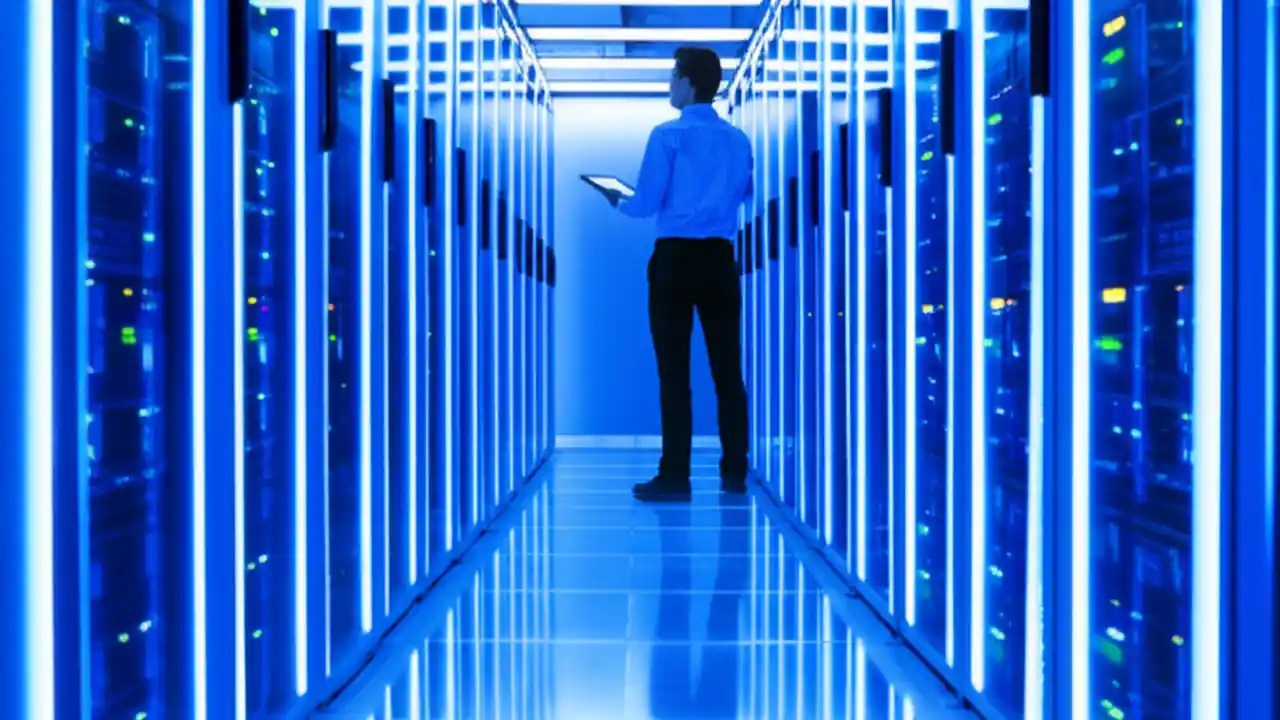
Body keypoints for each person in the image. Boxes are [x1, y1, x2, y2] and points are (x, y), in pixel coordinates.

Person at [602, 46, 753, 502]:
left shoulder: (667, 135)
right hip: (721, 260)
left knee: (675, 371)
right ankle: (734, 472)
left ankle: (675, 476)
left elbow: (645, 201)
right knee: (727, 369)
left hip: (674, 261)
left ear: (689, 81)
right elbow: (745, 193)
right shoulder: (739, 140)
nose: (670, 84)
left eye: (673, 76)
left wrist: (618, 200)